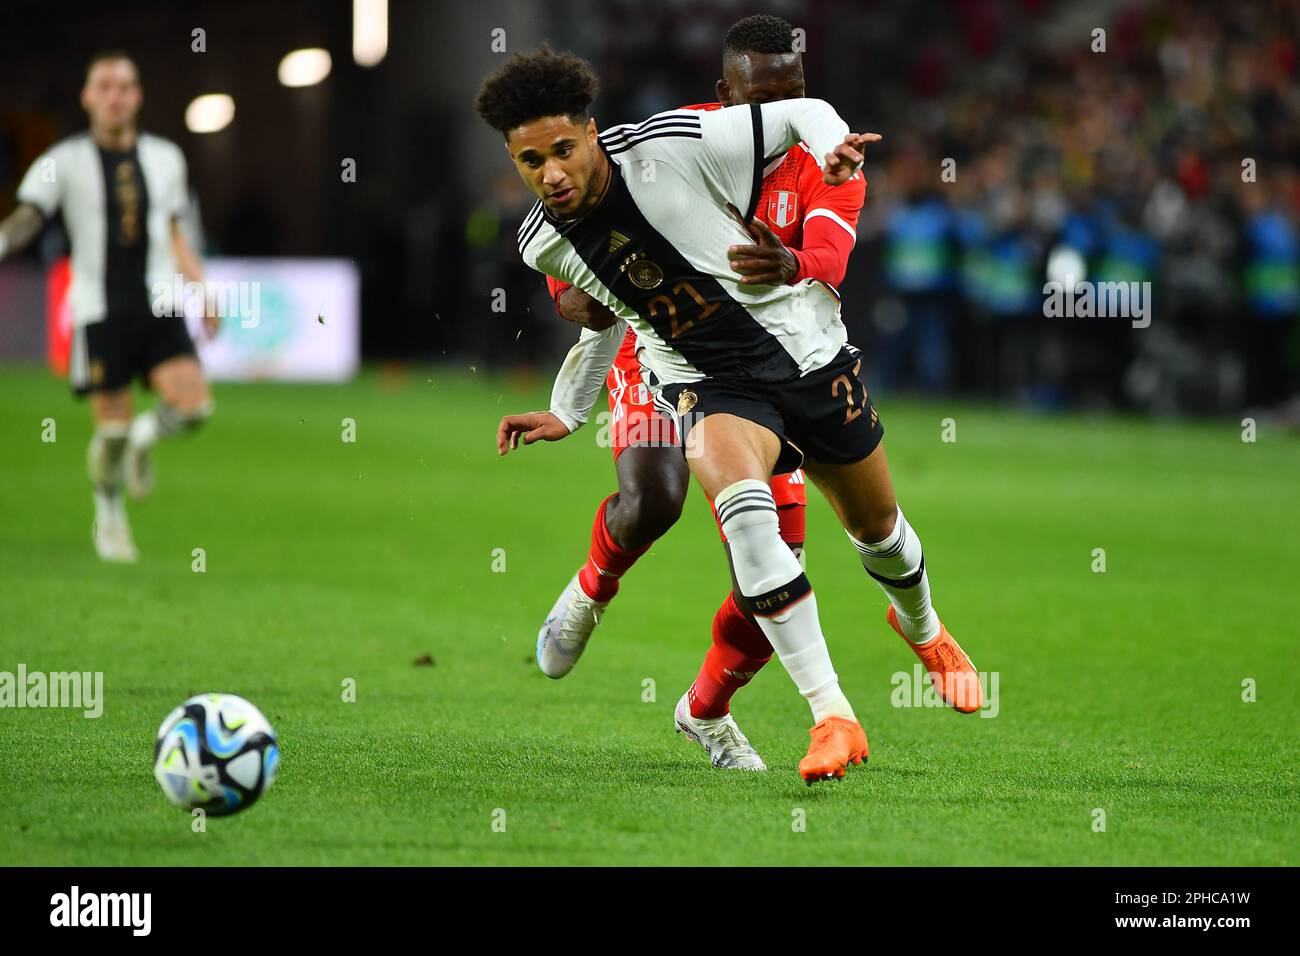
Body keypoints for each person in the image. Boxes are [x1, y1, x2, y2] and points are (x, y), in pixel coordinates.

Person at [476, 45, 982, 783]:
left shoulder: (698, 148)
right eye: (530, 161)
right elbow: (608, 309)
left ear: (590, 132)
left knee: (881, 537)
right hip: (703, 381)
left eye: (560, 151)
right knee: (720, 513)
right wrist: (568, 408)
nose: (550, 173)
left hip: (807, 359)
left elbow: (826, 216)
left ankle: (924, 630)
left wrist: (830, 159)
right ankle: (832, 716)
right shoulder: (544, 241)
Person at [0, 51, 216, 562]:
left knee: (195, 409)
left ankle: (147, 437)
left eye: (125, 86)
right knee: (110, 429)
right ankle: (110, 514)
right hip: (100, 309)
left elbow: (174, 229)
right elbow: (29, 218)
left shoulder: (166, 157)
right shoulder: (62, 160)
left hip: (159, 303)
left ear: (138, 96)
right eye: (105, 86)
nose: (115, 96)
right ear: (88, 97)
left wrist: (202, 286)